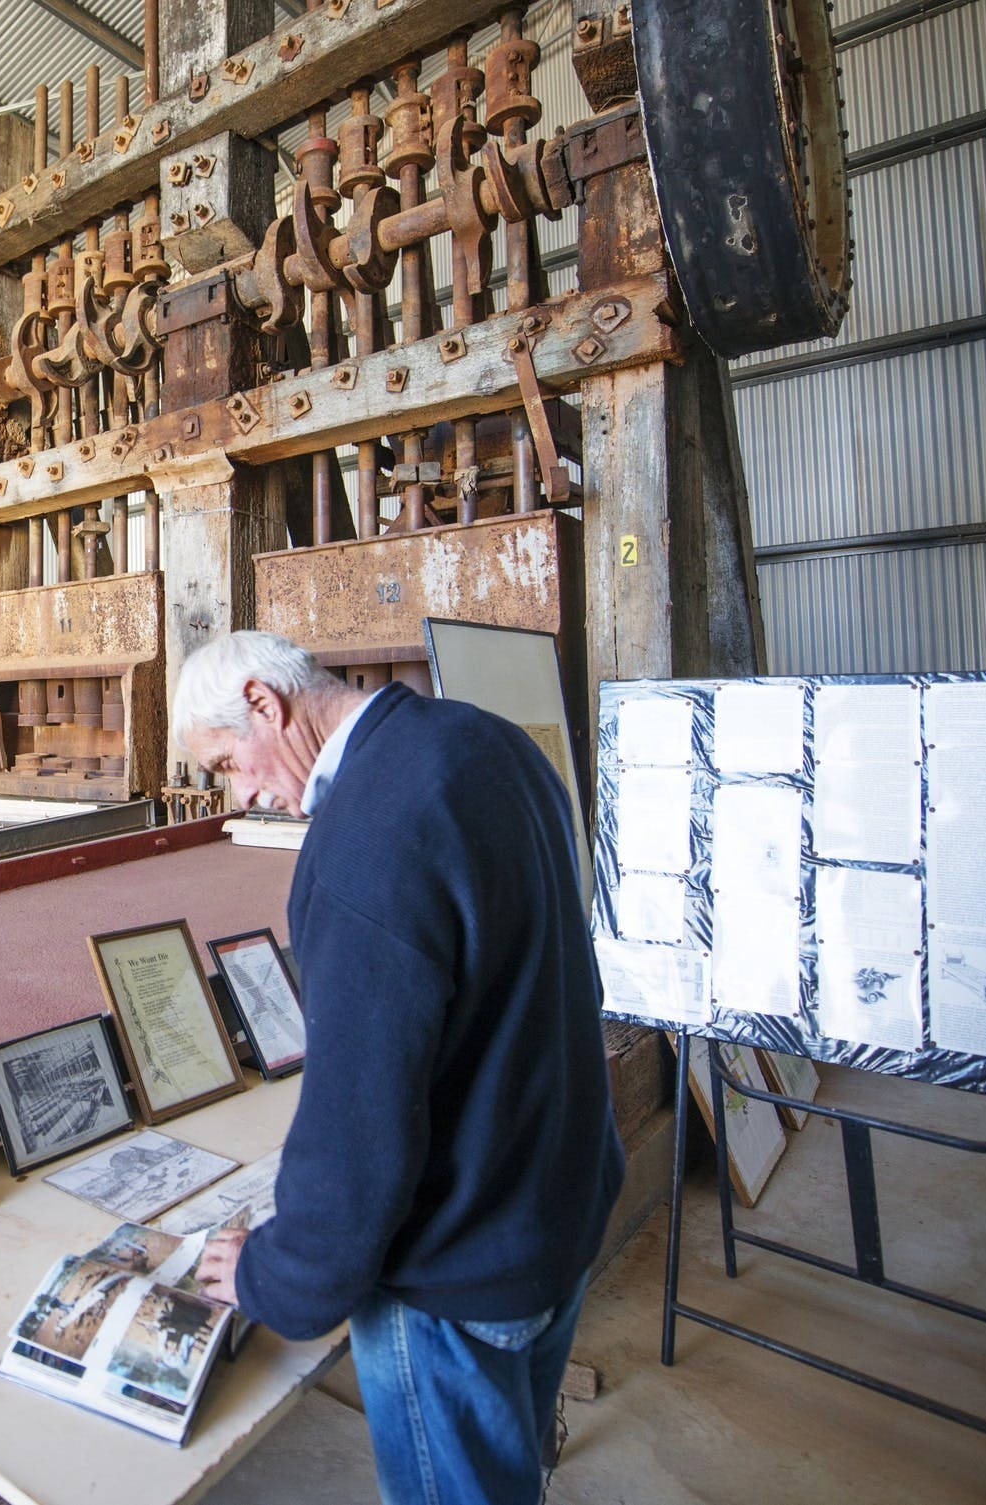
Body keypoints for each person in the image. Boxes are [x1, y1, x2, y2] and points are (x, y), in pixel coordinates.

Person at [177, 631, 624, 1505]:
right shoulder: (491, 745)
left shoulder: (360, 845)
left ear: (266, 702)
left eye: (230, 763)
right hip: (555, 1210)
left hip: (455, 1275)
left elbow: (358, 1127)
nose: (246, 793)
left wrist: (277, 1275)